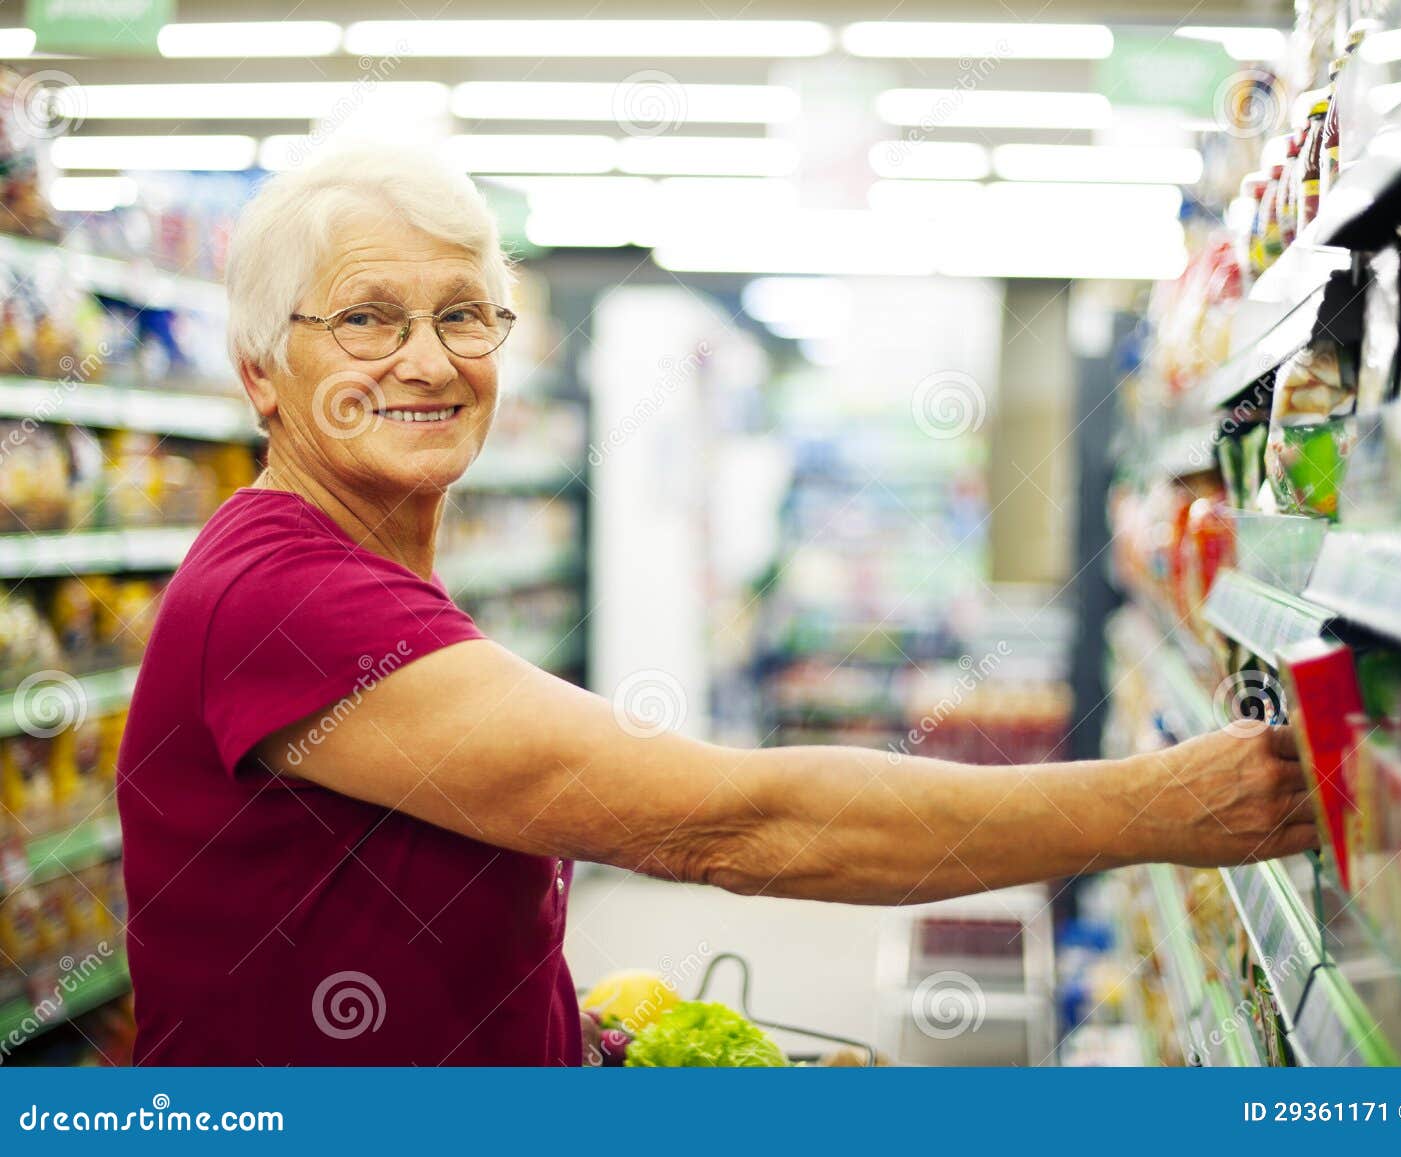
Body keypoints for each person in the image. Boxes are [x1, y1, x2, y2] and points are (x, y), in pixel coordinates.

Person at [116, 145, 1315, 1067]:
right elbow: (731, 824)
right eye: (366, 318)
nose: (427, 359)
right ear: (262, 369)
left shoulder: (357, 570)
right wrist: (1161, 803)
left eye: (464, 312)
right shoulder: (283, 597)